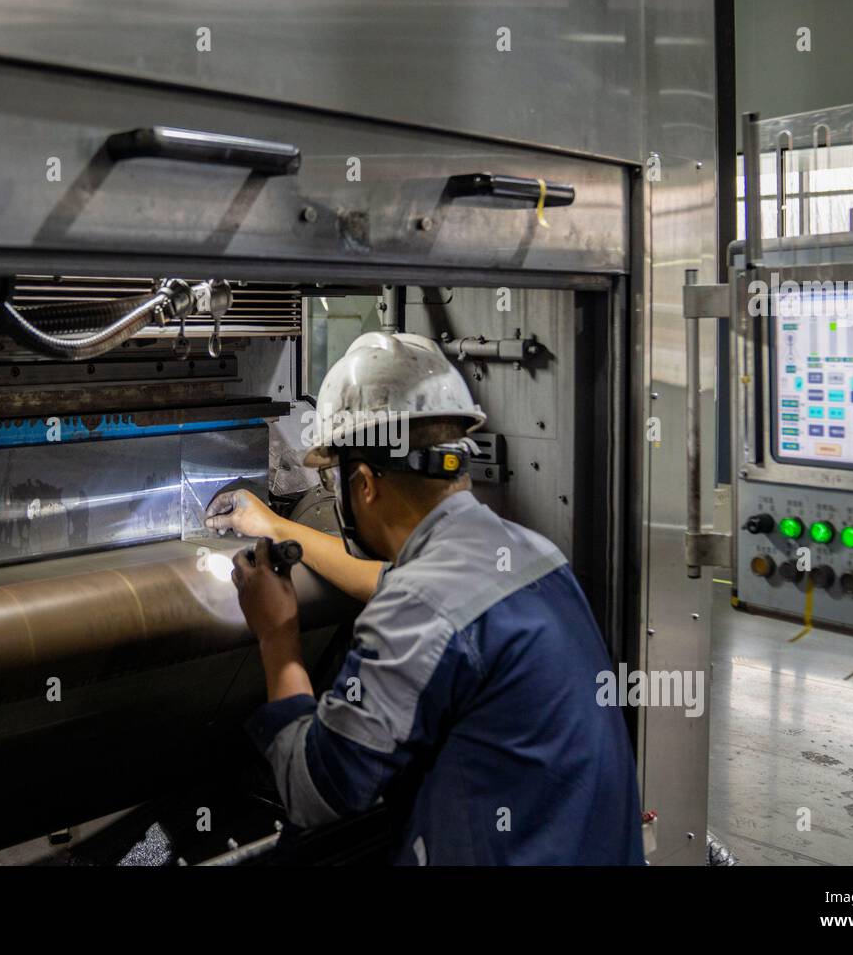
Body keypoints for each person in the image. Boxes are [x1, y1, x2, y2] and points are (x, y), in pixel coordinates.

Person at [208, 332, 643, 865]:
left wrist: (278, 636)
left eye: (336, 477)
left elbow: (313, 793)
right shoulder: (532, 555)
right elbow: (397, 585)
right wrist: (274, 524)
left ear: (364, 484)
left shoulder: (422, 605)